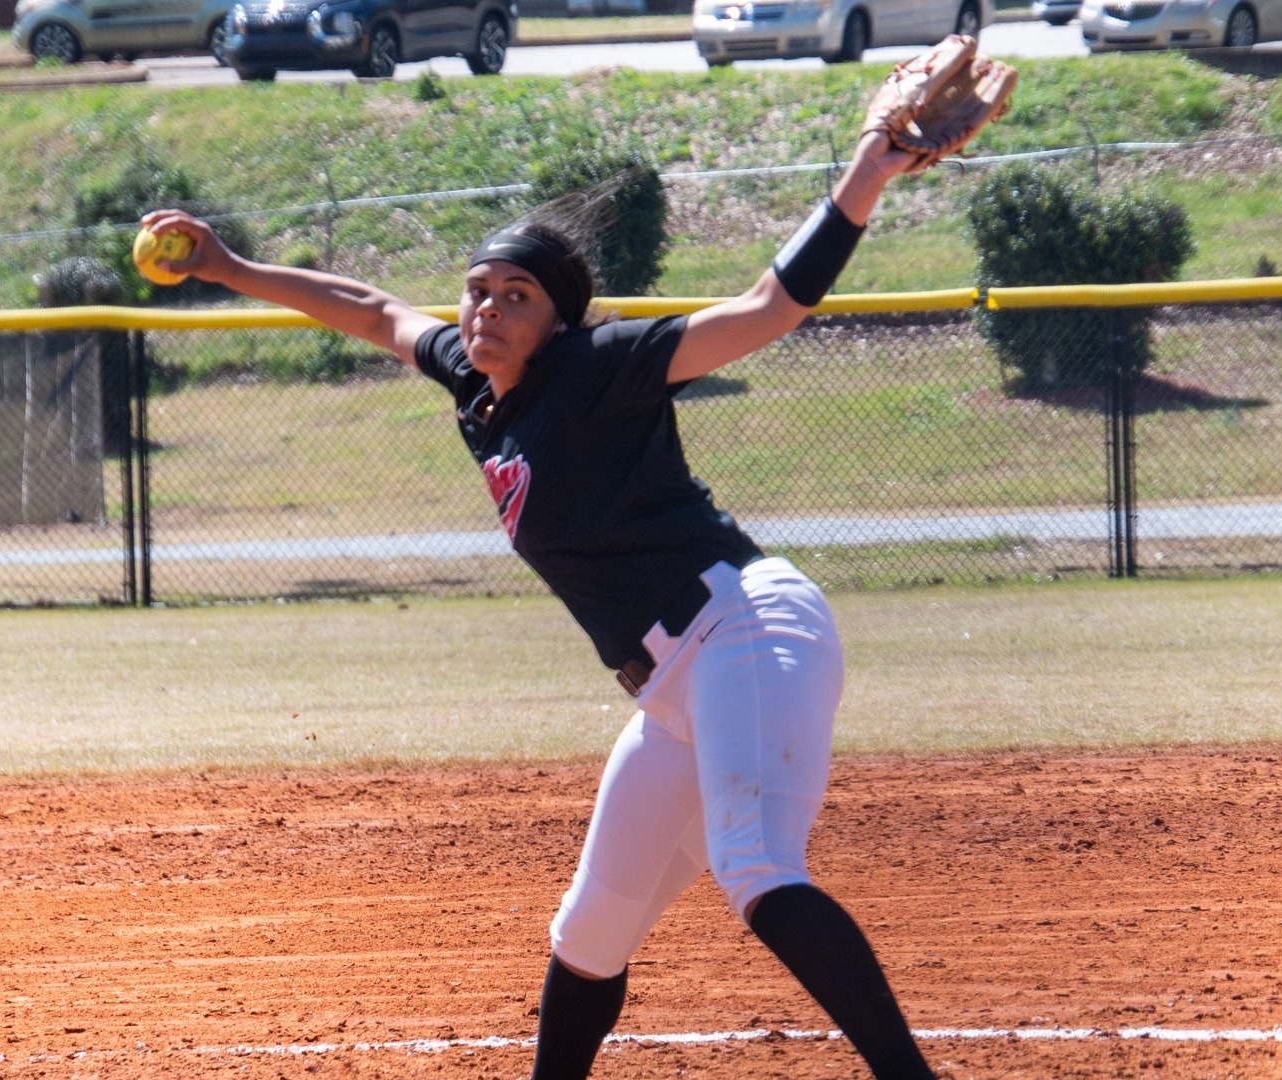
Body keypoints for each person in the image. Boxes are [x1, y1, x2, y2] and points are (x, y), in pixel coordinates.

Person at [141, 124, 936, 1080]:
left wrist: (867, 174)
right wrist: (231, 267)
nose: (487, 309)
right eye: (479, 290)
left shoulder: (600, 366)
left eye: (517, 296)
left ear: (558, 321)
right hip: (671, 689)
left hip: (744, 628)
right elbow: (368, 306)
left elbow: (770, 306)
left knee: (755, 865)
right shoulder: (478, 388)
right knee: (591, 927)